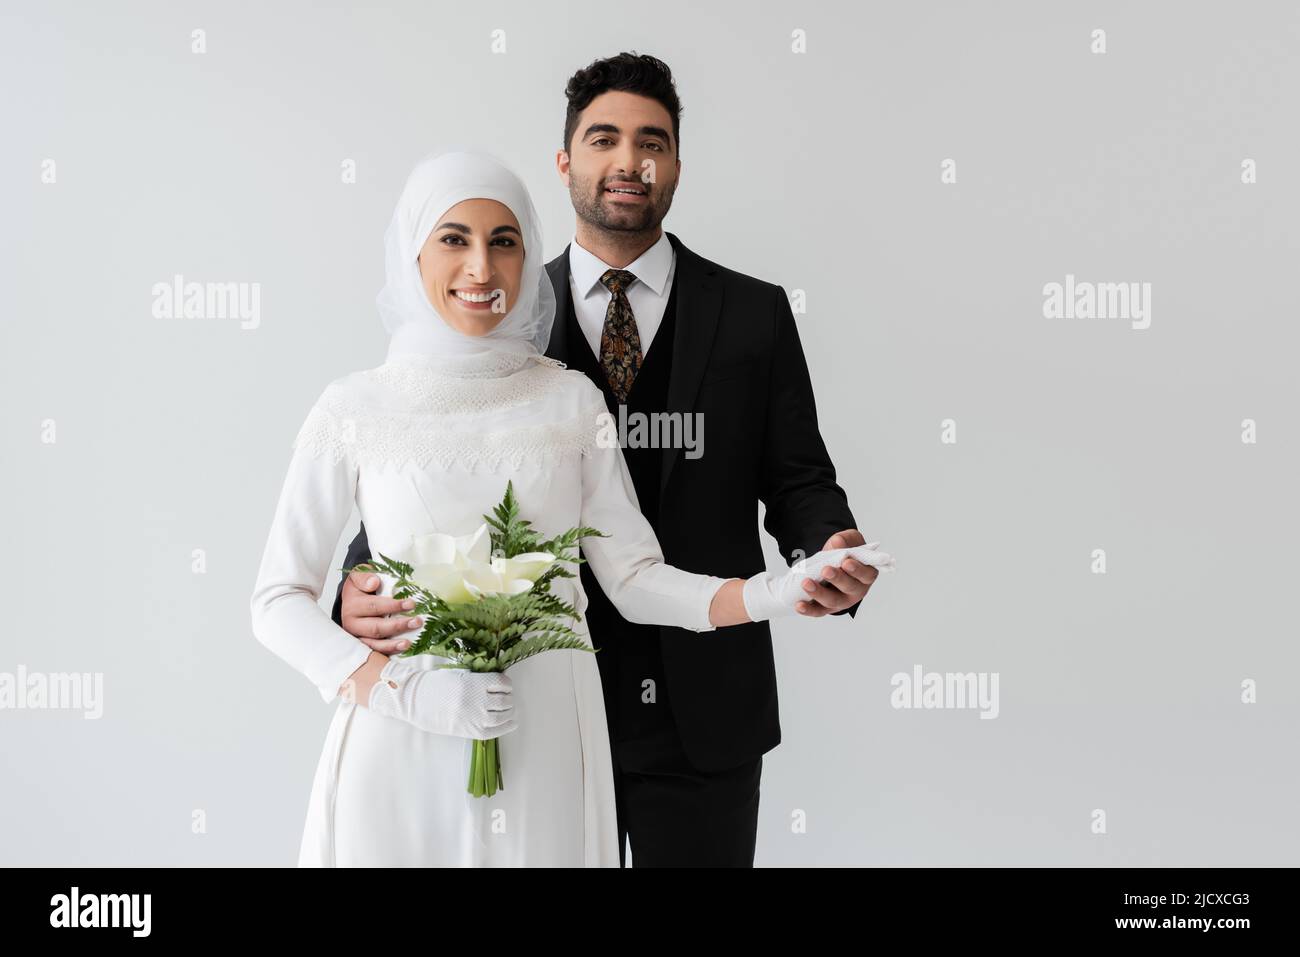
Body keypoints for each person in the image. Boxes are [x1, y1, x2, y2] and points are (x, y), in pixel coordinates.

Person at [249, 149, 893, 867]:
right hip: (398, 740)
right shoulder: (353, 407)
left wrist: (773, 591)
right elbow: (277, 597)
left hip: (549, 738)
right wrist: (397, 689)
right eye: (453, 239)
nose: (481, 269)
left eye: (504, 241)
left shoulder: (569, 401)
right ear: (412, 251)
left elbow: (633, 576)